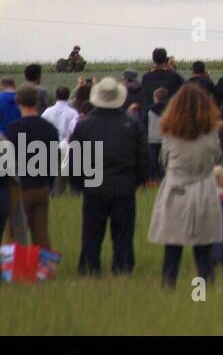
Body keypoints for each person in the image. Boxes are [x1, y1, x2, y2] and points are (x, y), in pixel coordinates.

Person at [67, 77, 149, 275]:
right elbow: (143, 158)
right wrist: (137, 182)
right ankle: (122, 268)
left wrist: (80, 185)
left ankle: (89, 268)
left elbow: (75, 162)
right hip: (124, 187)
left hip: (94, 187)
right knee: (123, 233)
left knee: (91, 233)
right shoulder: (133, 124)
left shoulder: (84, 126)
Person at [148, 85, 223, 288]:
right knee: (203, 250)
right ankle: (200, 293)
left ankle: (168, 289)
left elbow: (164, 160)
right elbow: (216, 156)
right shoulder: (212, 132)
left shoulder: (170, 133)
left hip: (176, 190)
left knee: (172, 248)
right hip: (203, 190)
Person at [4, 85, 60, 249]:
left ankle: (17, 270)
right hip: (42, 188)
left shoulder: (13, 129)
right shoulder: (50, 129)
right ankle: (44, 272)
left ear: (17, 101)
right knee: (41, 235)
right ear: (37, 101)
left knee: (16, 234)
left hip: (21, 190)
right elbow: (53, 160)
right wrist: (49, 184)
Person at [42, 85, 78, 194]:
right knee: (69, 174)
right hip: (67, 147)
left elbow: (42, 127)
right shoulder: (73, 113)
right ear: (68, 96)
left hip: (51, 147)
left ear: (56, 96)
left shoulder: (48, 112)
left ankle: (56, 195)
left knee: (55, 177)